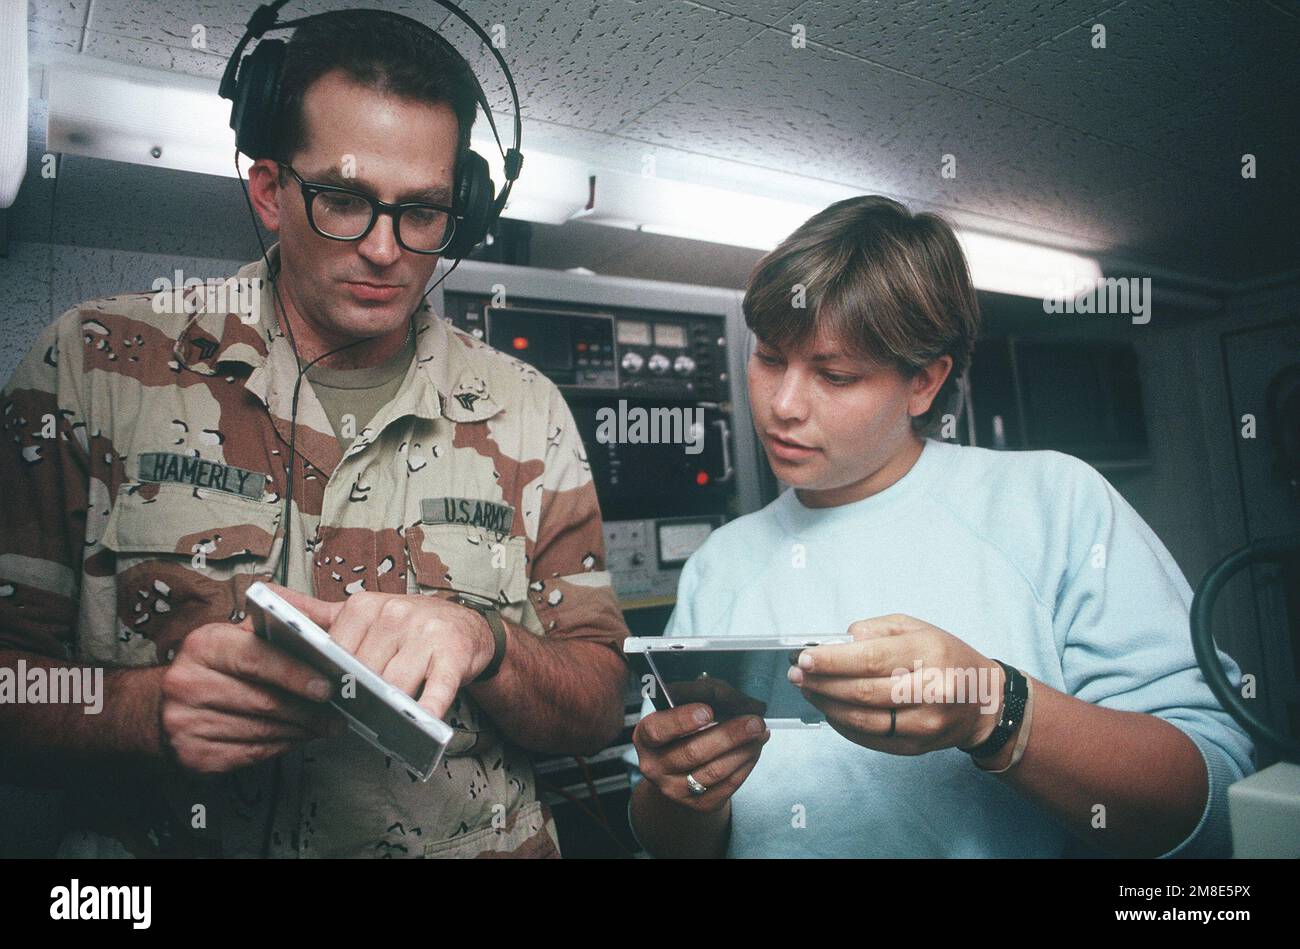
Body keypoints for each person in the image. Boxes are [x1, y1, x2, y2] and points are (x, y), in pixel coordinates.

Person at [0, 9, 629, 858]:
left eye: (423, 212)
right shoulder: (93, 365)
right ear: (268, 190)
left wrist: (487, 642)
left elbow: (596, 702)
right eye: (343, 200)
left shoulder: (526, 409)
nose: (384, 248)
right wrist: (144, 707)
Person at [628, 195, 1255, 858]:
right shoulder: (721, 563)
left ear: (924, 383)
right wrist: (681, 792)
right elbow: (672, 842)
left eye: (835, 374)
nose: (784, 405)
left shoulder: (1051, 504)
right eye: (771, 358)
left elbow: (1208, 804)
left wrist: (995, 709)